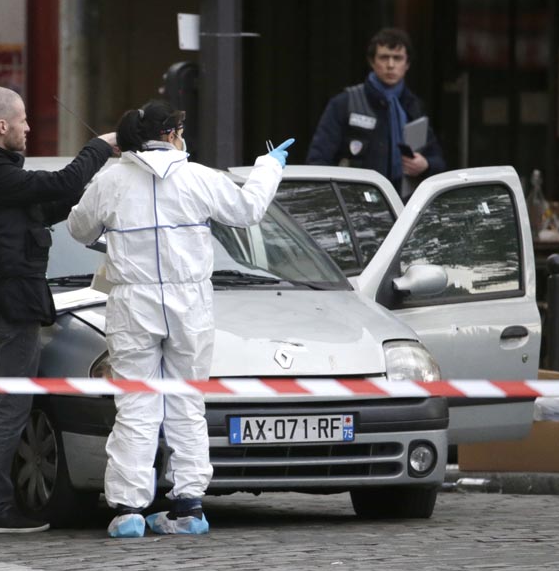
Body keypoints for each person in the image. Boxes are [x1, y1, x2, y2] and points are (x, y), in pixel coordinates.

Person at [67, 100, 292, 538]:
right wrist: (269, 166)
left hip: (133, 303)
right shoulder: (198, 177)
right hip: (190, 302)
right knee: (187, 402)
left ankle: (129, 511)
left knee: (135, 404)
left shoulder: (111, 181)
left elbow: (78, 229)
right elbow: (248, 210)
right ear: (170, 135)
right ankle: (189, 505)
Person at [0, 86, 116, 535]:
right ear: (1, 125)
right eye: (23, 120)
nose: (28, 128)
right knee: (10, 408)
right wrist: (99, 148)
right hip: (13, 306)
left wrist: (87, 193)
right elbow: (58, 184)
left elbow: (39, 209)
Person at [306, 28, 444, 196]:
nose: (390, 65)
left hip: (405, 203)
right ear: (372, 61)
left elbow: (438, 161)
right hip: (354, 202)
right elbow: (318, 161)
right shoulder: (345, 103)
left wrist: (425, 165)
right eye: (384, 57)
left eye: (397, 58)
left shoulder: (414, 106)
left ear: (407, 64)